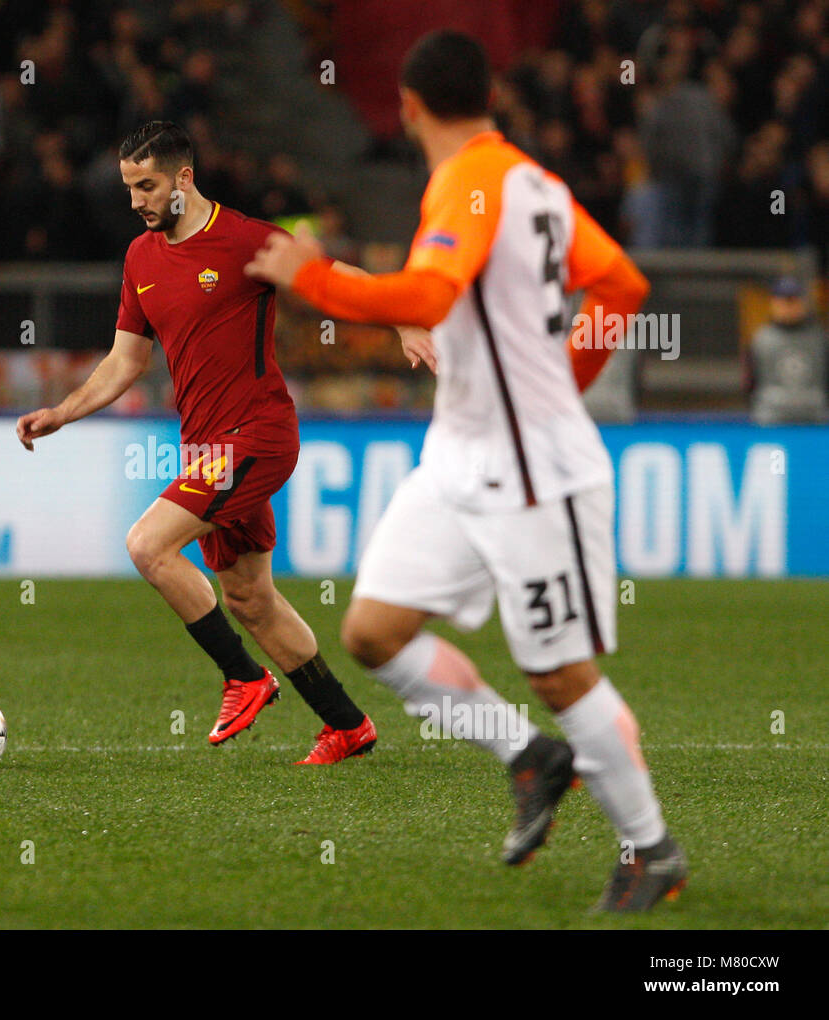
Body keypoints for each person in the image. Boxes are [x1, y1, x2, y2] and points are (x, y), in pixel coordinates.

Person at [246, 30, 685, 911]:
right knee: (372, 630)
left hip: (536, 471)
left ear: (407, 105)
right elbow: (623, 286)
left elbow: (430, 293)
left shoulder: (473, 180)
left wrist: (316, 276)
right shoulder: (534, 181)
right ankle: (527, 756)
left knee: (559, 673)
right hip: (459, 454)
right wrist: (571, 371)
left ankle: (651, 850)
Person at [17, 121, 376, 764]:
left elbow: (329, 273)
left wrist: (403, 316)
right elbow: (125, 361)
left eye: (147, 185)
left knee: (147, 544)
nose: (137, 200)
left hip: (259, 434)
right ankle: (345, 725)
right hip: (205, 449)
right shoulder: (141, 258)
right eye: (130, 187)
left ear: (184, 177)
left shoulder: (241, 238)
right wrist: (64, 412)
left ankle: (244, 678)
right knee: (248, 596)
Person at [747, 276, 829, 425]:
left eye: (793, 300)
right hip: (772, 419)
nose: (788, 307)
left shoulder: (820, 339)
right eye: (783, 301)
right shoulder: (761, 340)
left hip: (815, 420)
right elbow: (750, 381)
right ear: (773, 303)